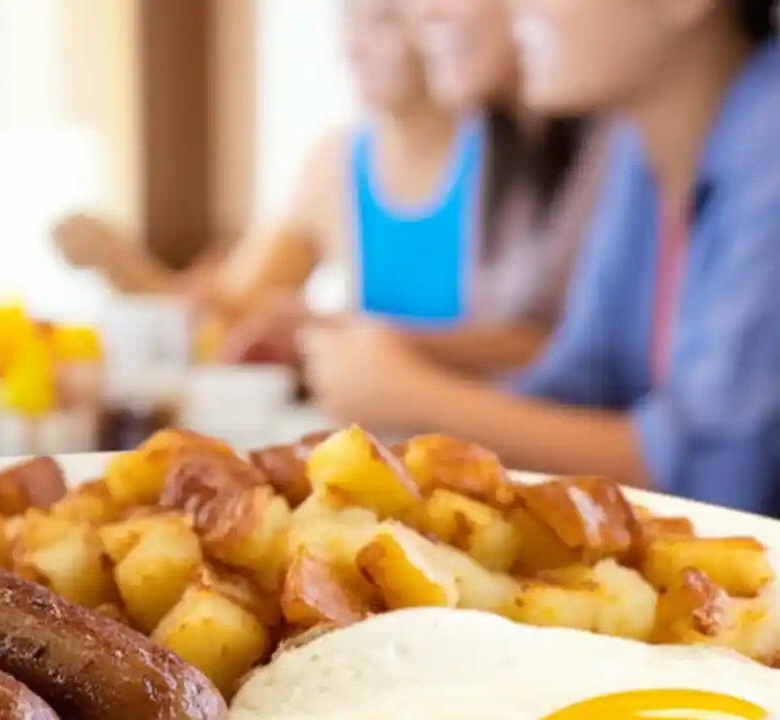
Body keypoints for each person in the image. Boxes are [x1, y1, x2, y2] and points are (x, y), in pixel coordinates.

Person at [304, 0, 780, 514]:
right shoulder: (640, 147)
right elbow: (578, 382)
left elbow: (713, 470)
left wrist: (416, 396)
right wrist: (397, 368)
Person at [59, 0, 599, 377]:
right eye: (348, 18)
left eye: (383, 19)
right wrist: (120, 264)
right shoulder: (334, 164)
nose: (353, 45)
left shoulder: (514, 145)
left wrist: (348, 337)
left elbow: (546, 343)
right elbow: (233, 308)